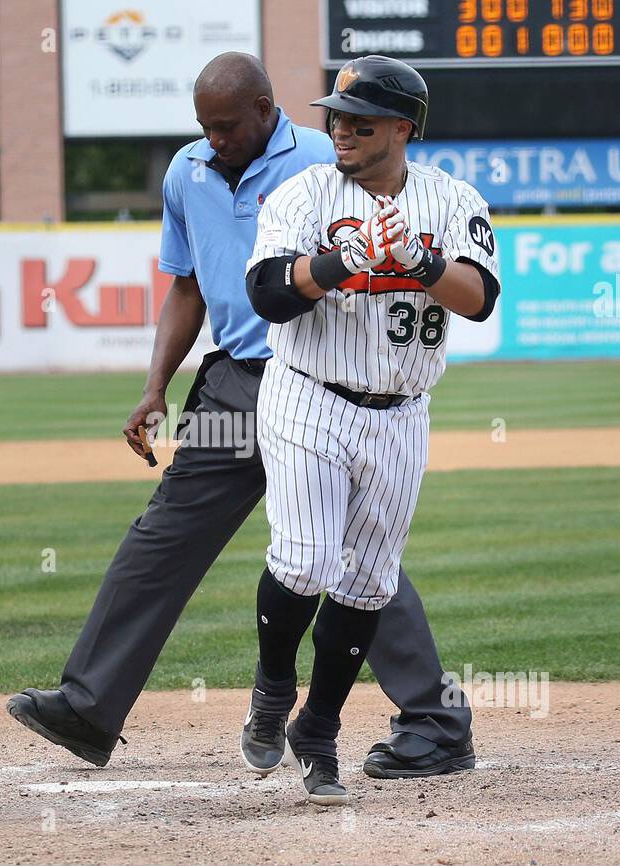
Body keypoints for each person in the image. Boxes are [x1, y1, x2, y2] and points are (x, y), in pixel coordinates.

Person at [8, 52, 474, 781]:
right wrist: (155, 384)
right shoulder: (187, 172)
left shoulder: (327, 157)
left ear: (266, 110)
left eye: (226, 125)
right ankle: (89, 703)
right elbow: (188, 287)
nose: (213, 139)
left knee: (352, 557)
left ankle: (435, 720)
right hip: (234, 384)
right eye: (204, 127)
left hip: (323, 378)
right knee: (167, 535)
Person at [243, 55, 501, 803]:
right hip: (308, 397)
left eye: (360, 119)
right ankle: (271, 689)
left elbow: (480, 297)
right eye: (335, 116)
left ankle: (317, 728)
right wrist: (332, 263)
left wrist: (419, 260)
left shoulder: (451, 201)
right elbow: (266, 294)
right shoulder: (303, 194)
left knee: (366, 582)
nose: (341, 129)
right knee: (304, 559)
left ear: (403, 127)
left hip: (401, 413)